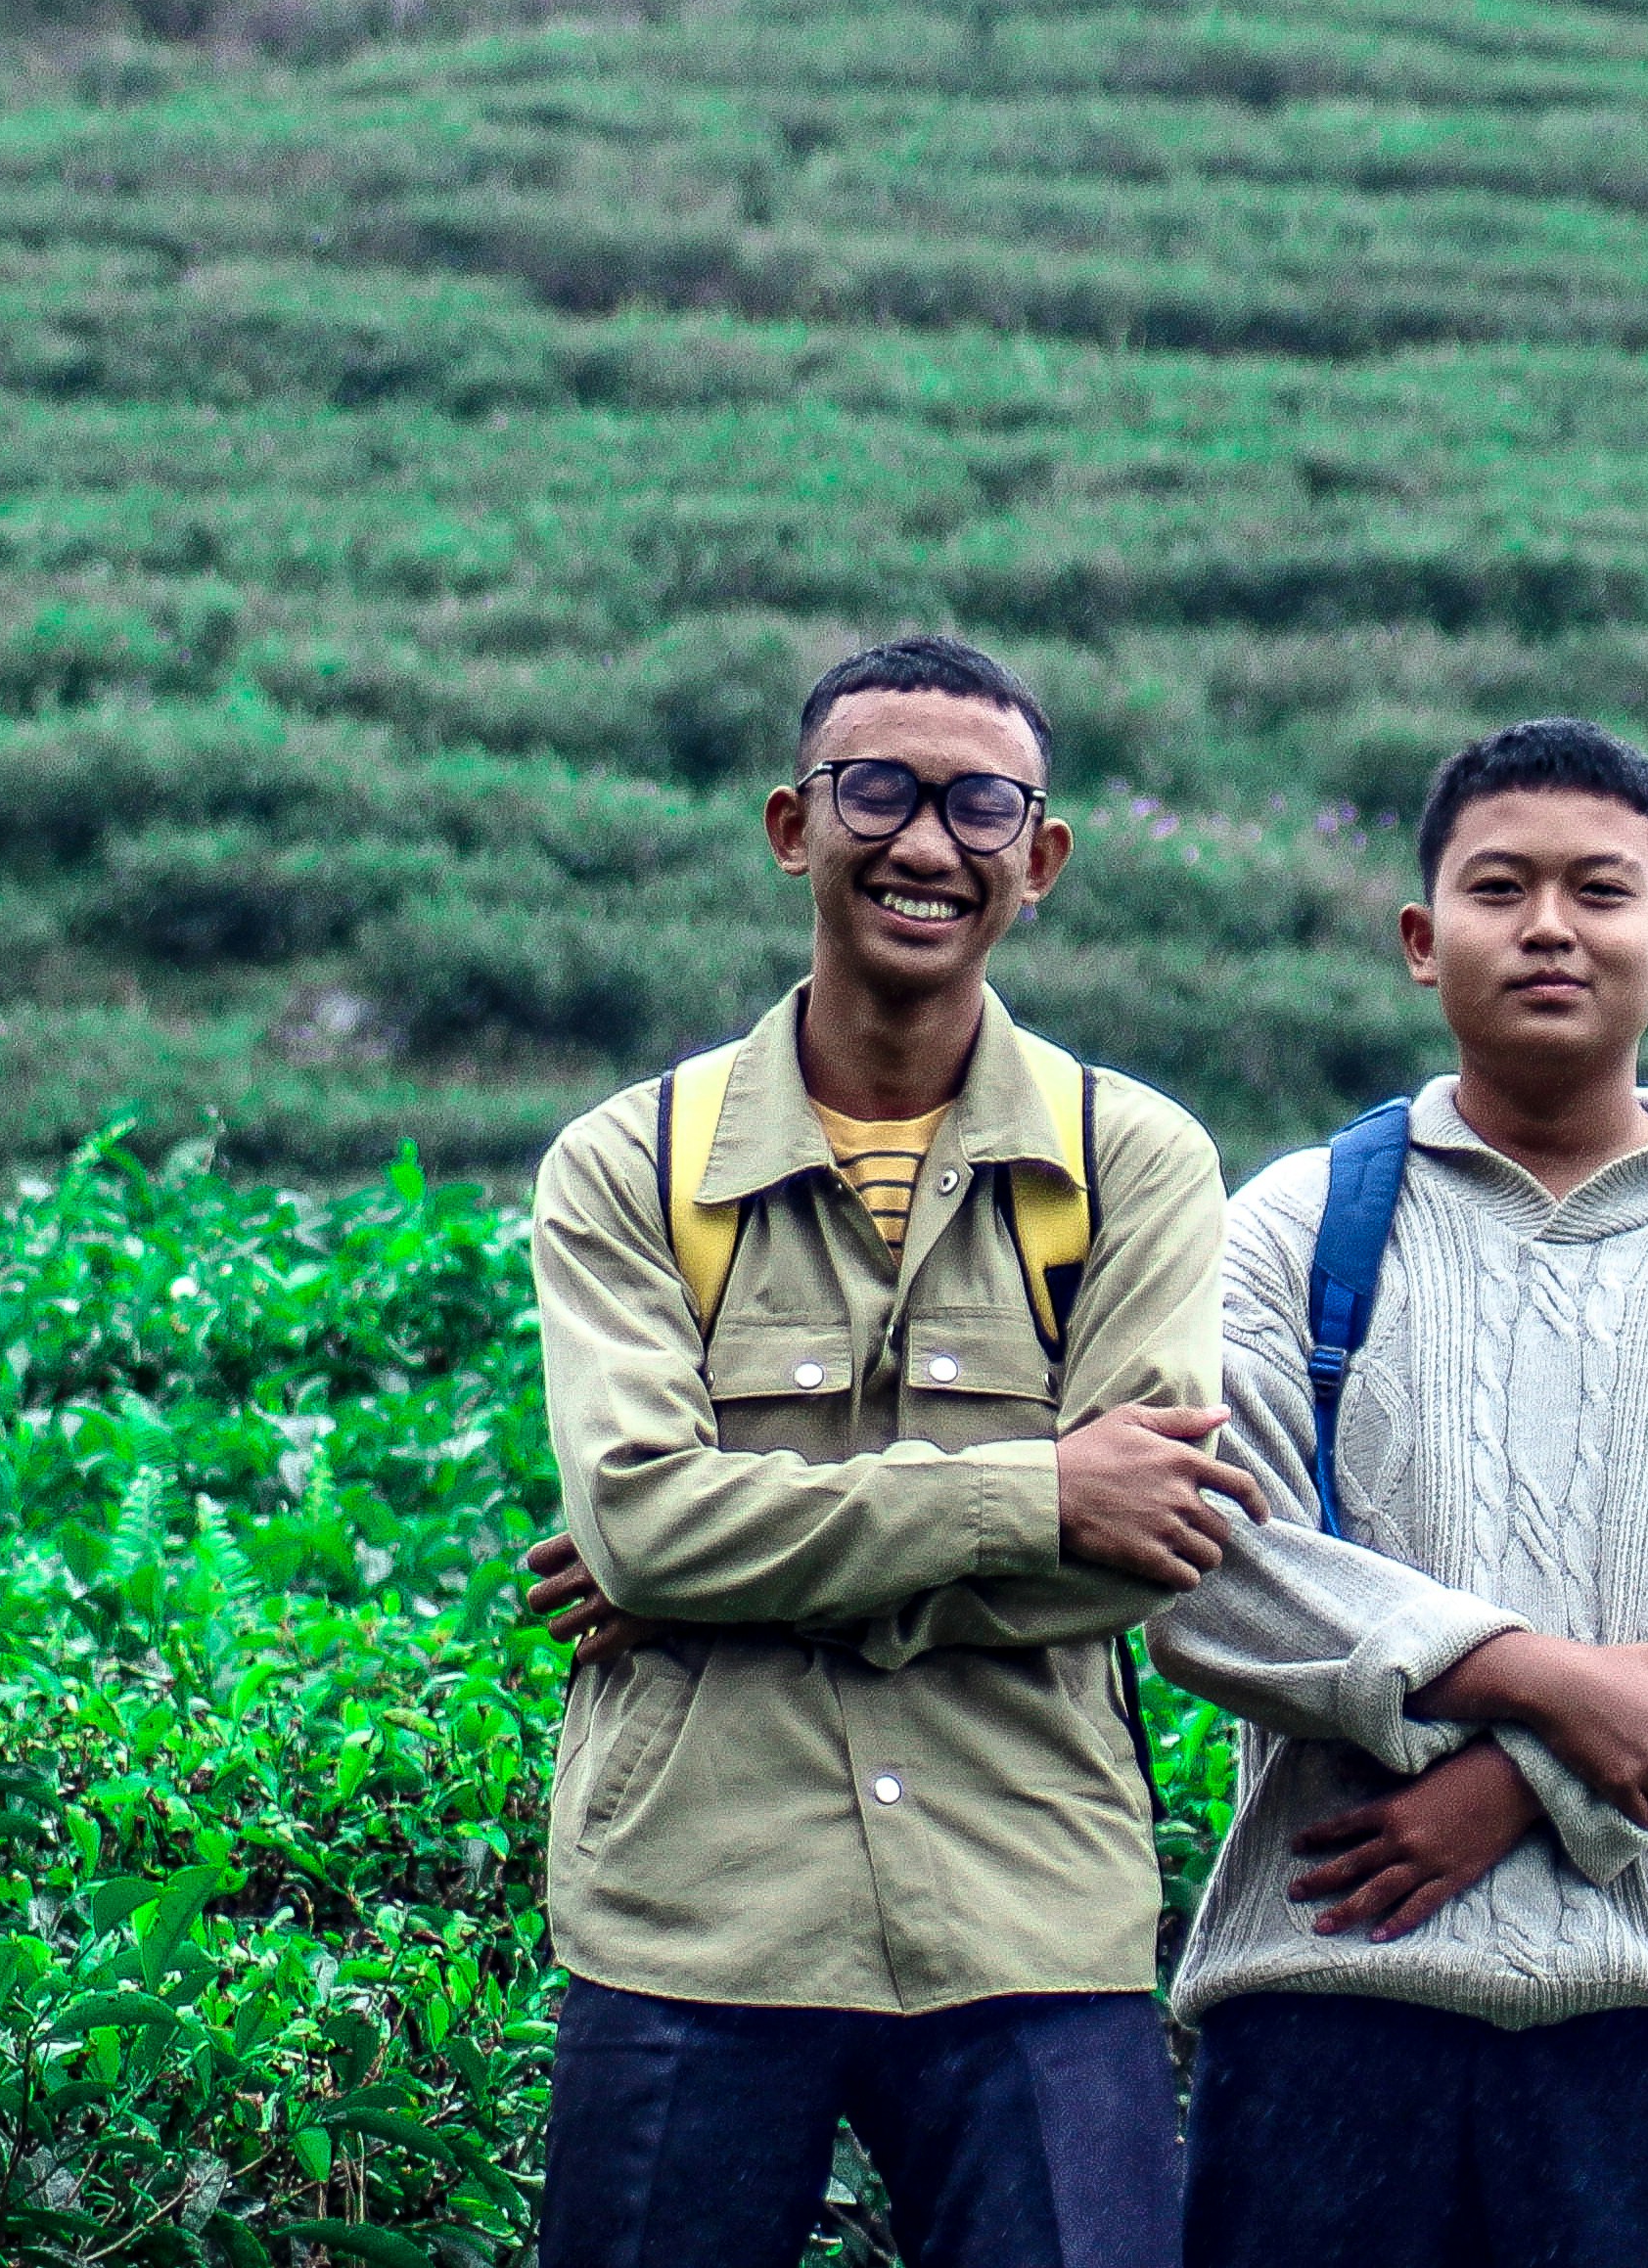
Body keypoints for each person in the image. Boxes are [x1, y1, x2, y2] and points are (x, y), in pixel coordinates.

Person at [1147, 716, 1648, 2268]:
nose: (1553, 929)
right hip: (1332, 2008)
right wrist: (1550, 1687)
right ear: (1419, 939)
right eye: (1501, 889)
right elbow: (1210, 1571)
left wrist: (1517, 1783)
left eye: (1602, 891)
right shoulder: (1298, 1223)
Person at [521, 632, 1249, 2268]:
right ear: (795, 827)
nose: (927, 845)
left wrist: (734, 1575)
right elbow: (642, 1526)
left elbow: (1140, 1557)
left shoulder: (1131, 1159)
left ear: (1038, 858)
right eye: (880, 794)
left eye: (982, 806)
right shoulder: (628, 1163)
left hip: (1031, 1910)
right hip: (697, 1916)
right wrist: (1037, 1491)